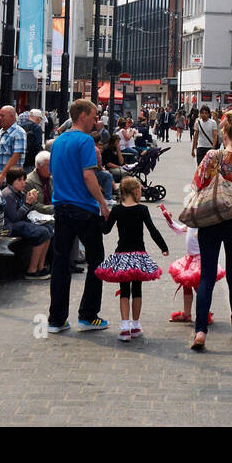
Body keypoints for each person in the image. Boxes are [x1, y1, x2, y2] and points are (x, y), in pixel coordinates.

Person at [190, 112, 232, 351]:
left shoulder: (211, 156)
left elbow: (197, 183)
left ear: (225, 134)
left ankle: (200, 331)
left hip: (210, 220)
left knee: (207, 276)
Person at [46, 99, 113, 334]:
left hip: (61, 207)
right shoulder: (84, 141)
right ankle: (88, 315)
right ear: (82, 115)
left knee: (61, 262)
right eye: (94, 115)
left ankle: (56, 319)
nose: (97, 120)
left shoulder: (58, 141)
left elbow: (54, 174)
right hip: (83, 209)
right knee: (97, 260)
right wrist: (103, 203)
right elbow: (88, 176)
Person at [96, 176, 169, 341]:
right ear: (136, 191)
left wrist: (101, 217)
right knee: (137, 290)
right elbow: (152, 230)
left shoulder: (117, 210)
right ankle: (135, 325)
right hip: (138, 256)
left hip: (122, 255)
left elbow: (105, 230)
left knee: (124, 291)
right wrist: (163, 247)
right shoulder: (142, 209)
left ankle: (124, 326)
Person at [1, 167, 52, 278]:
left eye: (24, 179)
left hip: (20, 222)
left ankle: (41, 266)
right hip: (9, 226)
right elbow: (14, 217)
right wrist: (28, 204)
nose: (23, 182)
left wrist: (31, 202)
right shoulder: (8, 194)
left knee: (48, 229)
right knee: (42, 232)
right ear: (11, 181)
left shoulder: (19, 192)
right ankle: (31, 270)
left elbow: (24, 213)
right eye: (19, 180)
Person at [0, 106, 26, 181]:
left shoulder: (19, 132)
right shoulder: (1, 131)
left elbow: (16, 156)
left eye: (2, 116)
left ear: (12, 116)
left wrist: (3, 175)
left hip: (9, 180)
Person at [25, 151, 55, 215]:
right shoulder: (28, 181)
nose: (51, 168)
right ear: (39, 165)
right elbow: (34, 205)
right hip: (38, 216)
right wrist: (54, 208)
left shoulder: (51, 178)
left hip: (53, 212)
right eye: (48, 165)